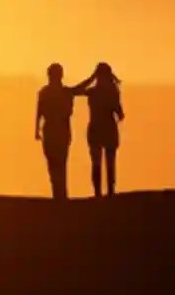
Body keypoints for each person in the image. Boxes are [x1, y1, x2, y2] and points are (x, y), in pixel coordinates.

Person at [35, 63, 93, 200]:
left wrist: (36, 130)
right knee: (59, 164)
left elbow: (39, 112)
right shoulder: (60, 92)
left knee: (55, 165)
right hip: (58, 130)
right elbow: (80, 89)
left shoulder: (46, 92)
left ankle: (59, 195)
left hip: (54, 131)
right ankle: (60, 195)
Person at [83, 62, 125, 197]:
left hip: (95, 129)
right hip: (109, 128)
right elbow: (120, 113)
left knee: (96, 162)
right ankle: (111, 191)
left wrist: (91, 78)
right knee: (110, 162)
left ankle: (97, 193)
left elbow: (75, 91)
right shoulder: (113, 91)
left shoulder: (93, 92)